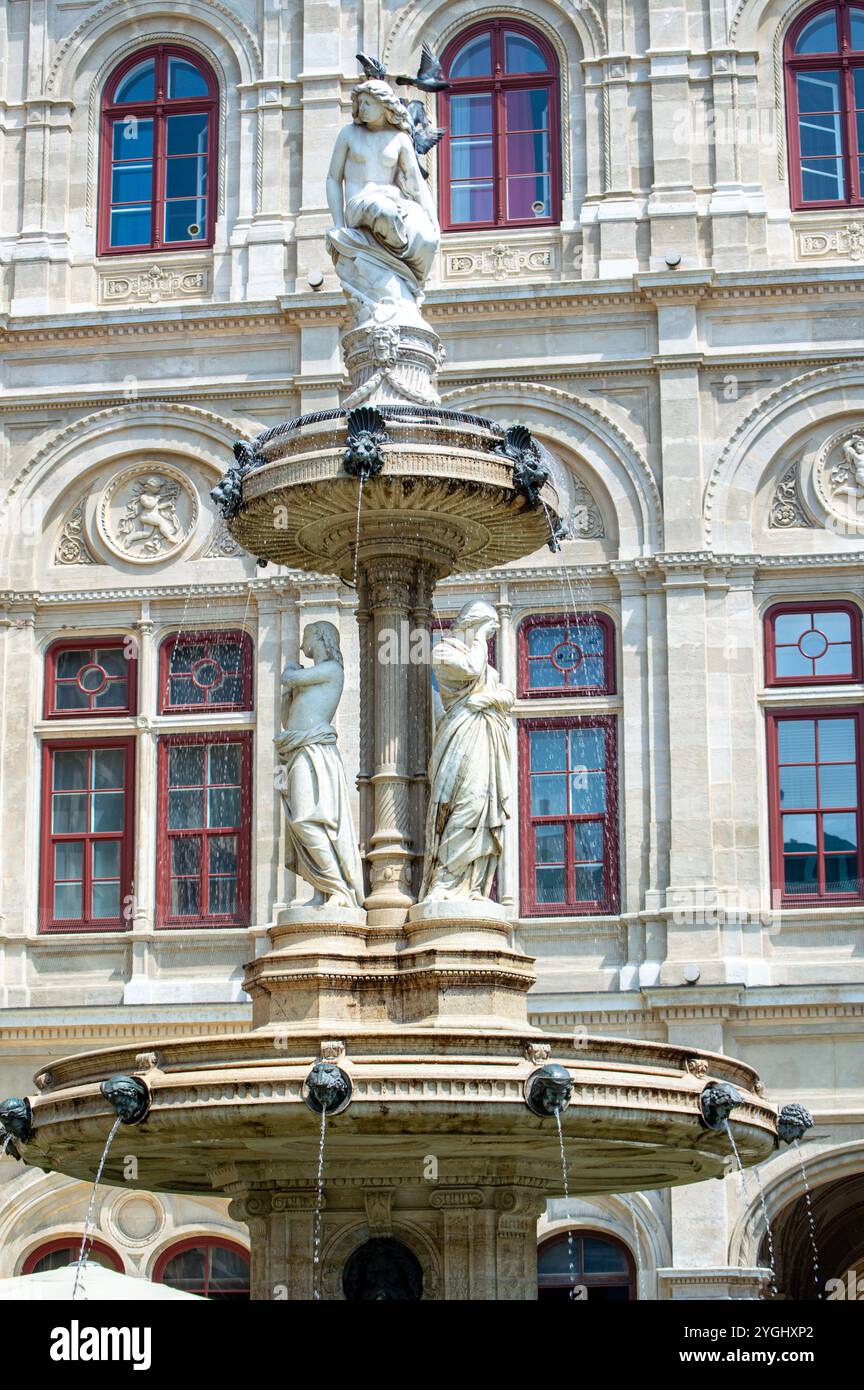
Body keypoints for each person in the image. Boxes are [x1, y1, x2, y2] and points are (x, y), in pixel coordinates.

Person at [420, 601, 514, 903]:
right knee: (465, 803)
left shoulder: (484, 665)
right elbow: (472, 669)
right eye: (487, 631)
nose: (488, 639)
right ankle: (444, 881)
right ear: (473, 624)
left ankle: (472, 886)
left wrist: (486, 701)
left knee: (483, 804)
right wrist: (478, 638)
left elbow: (508, 695)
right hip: (459, 736)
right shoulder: (444, 652)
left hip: (484, 737)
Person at [325, 79, 439, 324]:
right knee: (384, 211)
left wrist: (433, 222)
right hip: (361, 203)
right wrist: (338, 224)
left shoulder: (399, 139)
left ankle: (405, 281)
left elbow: (417, 185)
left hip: (394, 202)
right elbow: (333, 179)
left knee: (426, 238)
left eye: (368, 103)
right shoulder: (349, 134)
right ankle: (392, 260)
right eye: (360, 103)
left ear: (384, 105)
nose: (362, 108)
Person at [275, 622, 365, 910]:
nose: (302, 646)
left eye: (306, 638)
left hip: (316, 752)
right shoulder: (309, 679)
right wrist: (287, 695)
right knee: (303, 820)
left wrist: (291, 670)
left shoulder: (330, 670)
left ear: (320, 638)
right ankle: (322, 888)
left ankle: (339, 888)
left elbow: (288, 677)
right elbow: (287, 720)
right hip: (300, 749)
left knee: (309, 818)